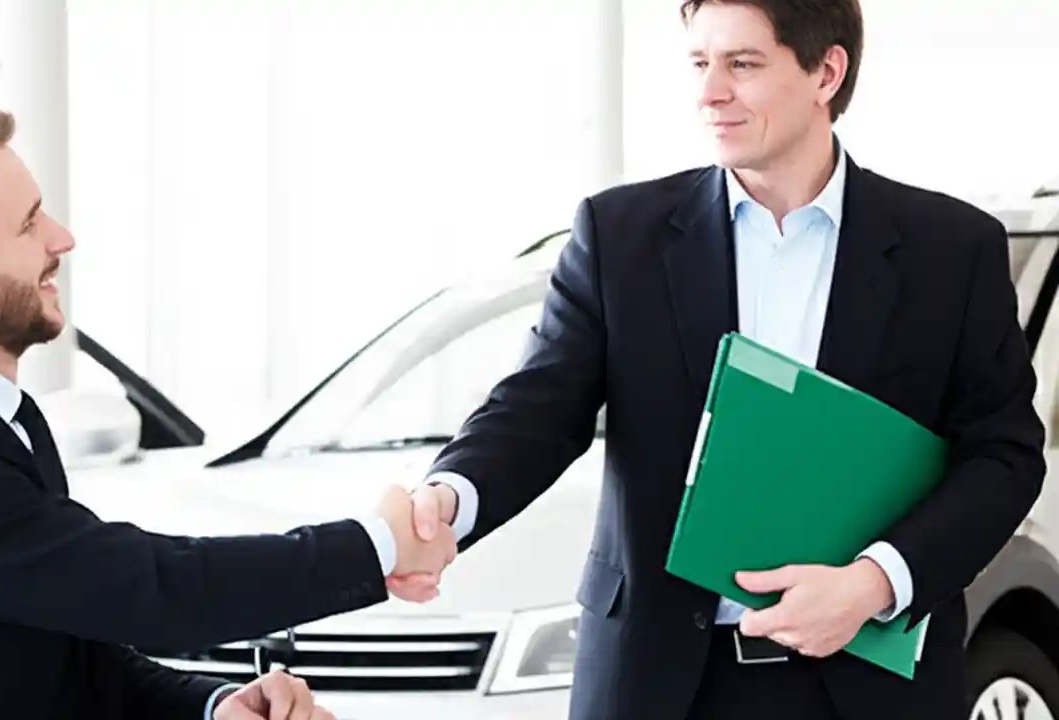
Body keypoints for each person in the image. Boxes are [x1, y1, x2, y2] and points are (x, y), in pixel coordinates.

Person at [385, 0, 1046, 718]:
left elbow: (1003, 456)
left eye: (742, 64)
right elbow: (534, 411)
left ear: (827, 72)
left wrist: (874, 582)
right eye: (700, 62)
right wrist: (449, 499)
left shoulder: (951, 252)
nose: (709, 92)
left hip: (867, 686)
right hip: (657, 683)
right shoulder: (619, 236)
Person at [0, 107, 457, 720]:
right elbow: (154, 589)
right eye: (29, 223)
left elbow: (75, 657)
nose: (62, 238)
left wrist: (215, 707)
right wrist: (378, 545)